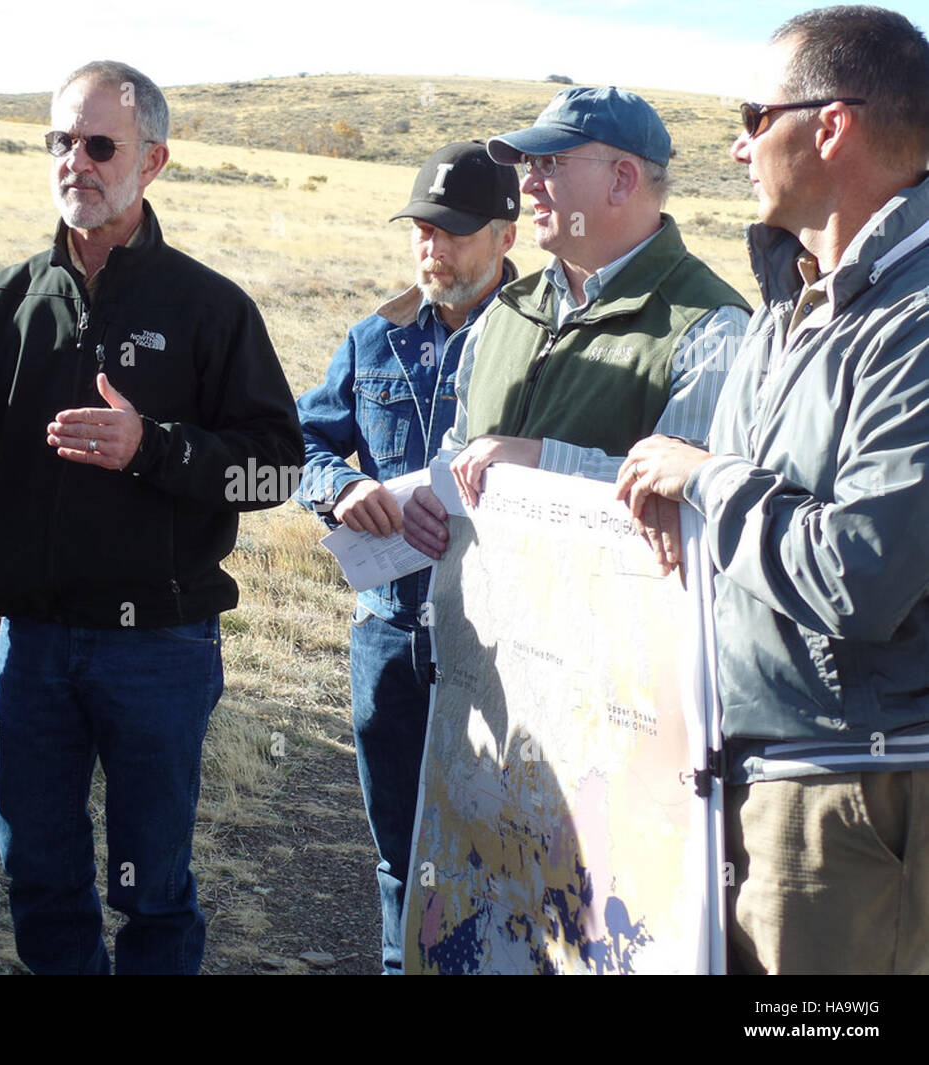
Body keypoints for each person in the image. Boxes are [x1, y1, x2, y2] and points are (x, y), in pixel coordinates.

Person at [0, 60, 303, 974]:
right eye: (60, 141)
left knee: (152, 886)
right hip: (32, 645)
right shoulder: (1, 299)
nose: (77, 161)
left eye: (101, 144)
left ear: (153, 162)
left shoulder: (210, 308)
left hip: (160, 649)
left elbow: (272, 473)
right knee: (37, 869)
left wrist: (155, 446)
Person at [617, 5, 929, 974]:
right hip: (750, 770)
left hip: (846, 788)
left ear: (828, 125)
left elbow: (861, 580)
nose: (738, 144)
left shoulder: (912, 324)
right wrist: (688, 479)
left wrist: (707, 480)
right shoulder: (792, 303)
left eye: (755, 116)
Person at [294, 141, 520, 974]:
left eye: (454, 231)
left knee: (503, 850)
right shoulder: (374, 338)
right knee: (400, 849)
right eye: (421, 228)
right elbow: (299, 441)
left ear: (505, 233)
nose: (433, 247)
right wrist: (338, 488)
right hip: (387, 637)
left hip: (504, 647)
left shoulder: (543, 338)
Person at [403, 87, 750, 562]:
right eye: (530, 166)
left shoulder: (711, 327)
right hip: (488, 629)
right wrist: (433, 496)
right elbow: (458, 453)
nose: (528, 186)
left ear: (622, 180)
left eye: (550, 165)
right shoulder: (506, 313)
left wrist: (540, 459)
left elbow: (694, 502)